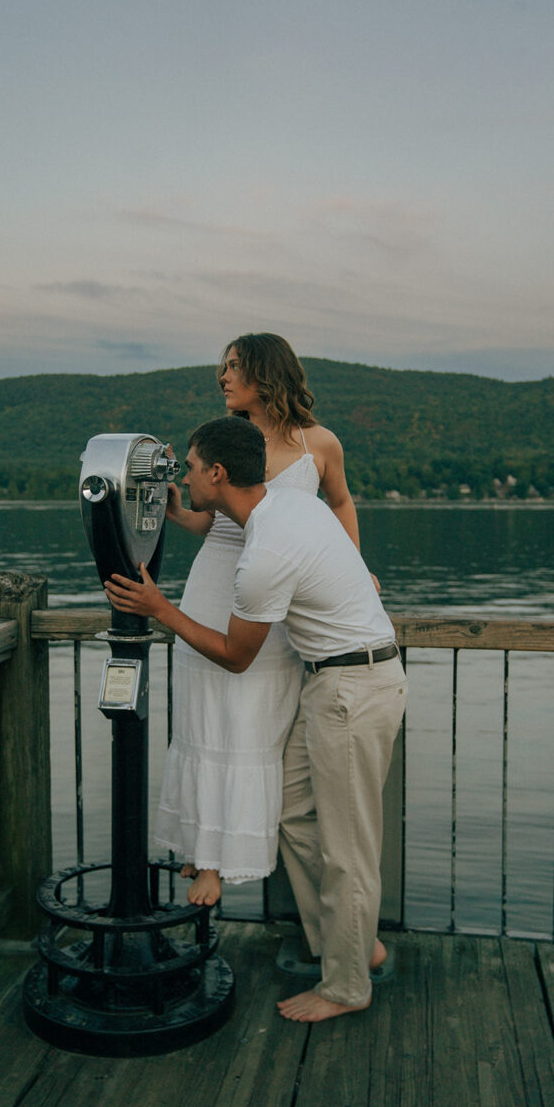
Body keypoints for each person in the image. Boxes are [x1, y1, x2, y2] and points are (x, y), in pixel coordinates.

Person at [105, 416, 408, 1022]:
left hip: (353, 688)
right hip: (335, 682)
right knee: (294, 812)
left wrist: (159, 608)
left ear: (217, 474)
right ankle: (346, 944)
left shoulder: (266, 551)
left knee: (348, 848)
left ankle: (347, 987)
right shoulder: (289, 510)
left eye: (189, 468)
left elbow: (237, 657)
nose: (183, 476)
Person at [157, 334, 367, 907]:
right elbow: (215, 523)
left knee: (255, 727)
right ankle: (205, 856)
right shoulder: (226, 441)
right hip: (212, 586)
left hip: (272, 605)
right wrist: (179, 511)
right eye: (222, 368)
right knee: (203, 721)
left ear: (265, 373)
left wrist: (355, 566)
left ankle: (232, 852)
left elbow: (341, 503)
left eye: (233, 367)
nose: (222, 377)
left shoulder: (318, 443)